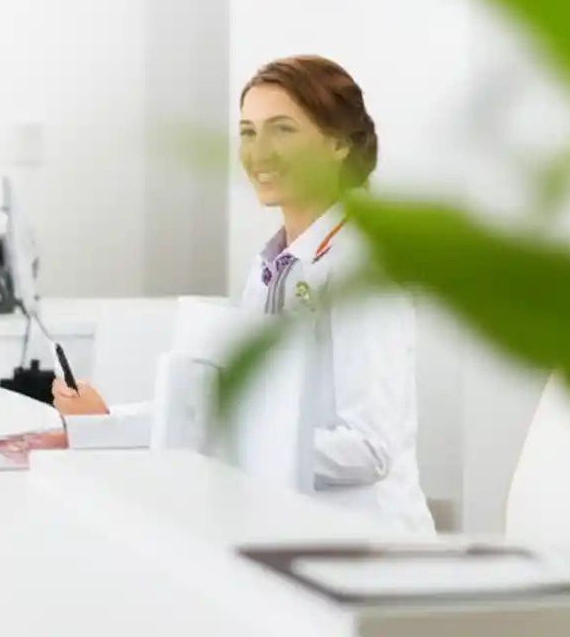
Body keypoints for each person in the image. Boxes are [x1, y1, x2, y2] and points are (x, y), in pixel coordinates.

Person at [52, 55, 434, 534]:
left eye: (282, 130)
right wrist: (105, 421)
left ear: (338, 143)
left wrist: (221, 441)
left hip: (367, 548)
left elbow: (369, 448)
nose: (259, 153)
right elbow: (222, 412)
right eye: (249, 133)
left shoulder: (366, 271)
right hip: (289, 529)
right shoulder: (272, 265)